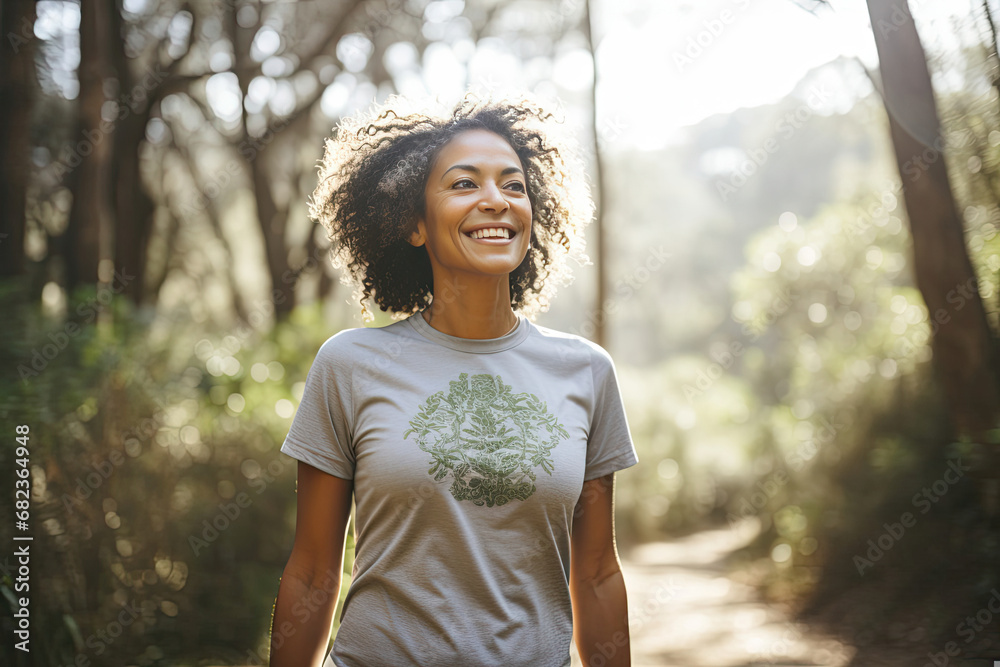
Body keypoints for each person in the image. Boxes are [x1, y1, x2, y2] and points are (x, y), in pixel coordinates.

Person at [268, 89, 639, 667]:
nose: (496, 201)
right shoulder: (350, 364)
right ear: (414, 225)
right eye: (465, 184)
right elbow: (314, 573)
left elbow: (595, 574)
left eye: (513, 185)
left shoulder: (585, 371)